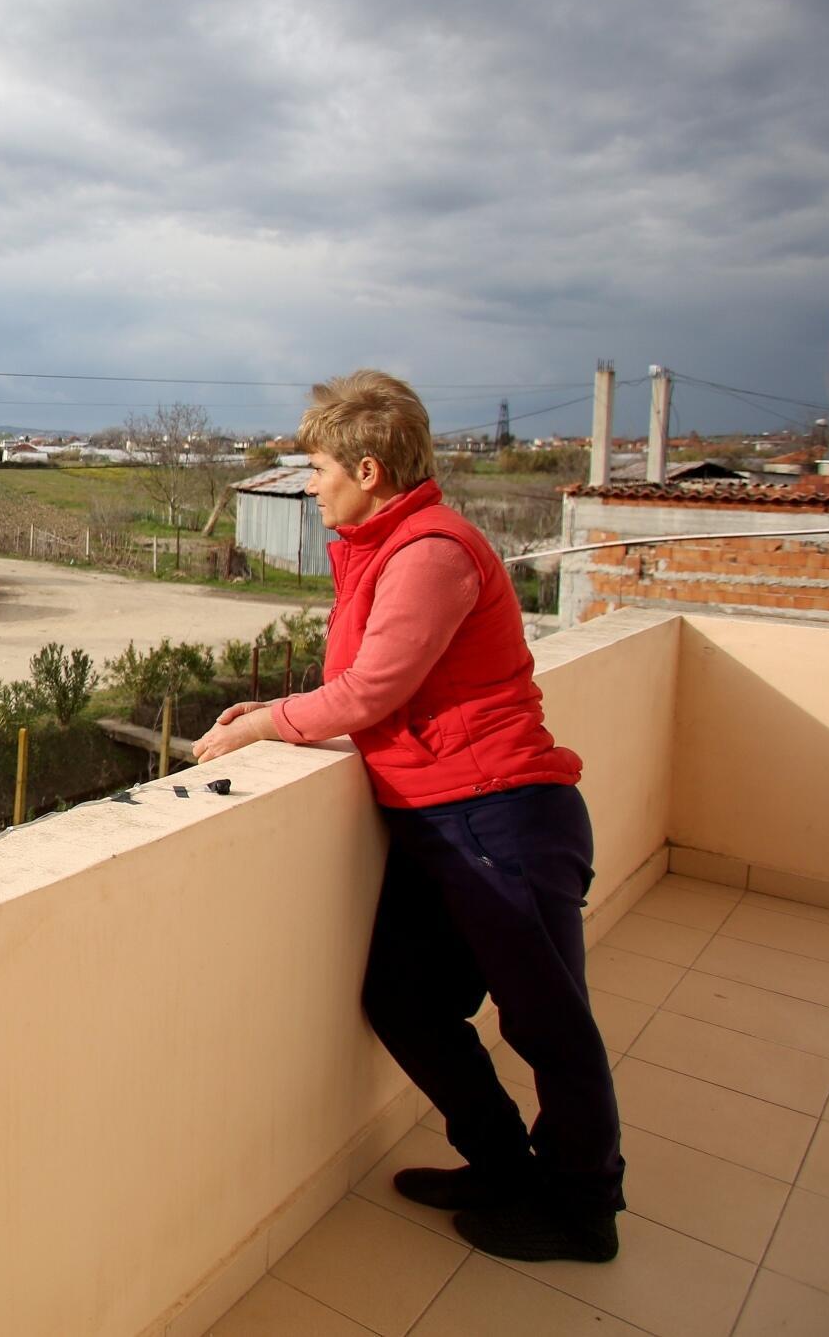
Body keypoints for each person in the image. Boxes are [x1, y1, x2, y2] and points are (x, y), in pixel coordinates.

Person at [193, 370, 623, 1264]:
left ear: (370, 468)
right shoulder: (386, 549)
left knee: (549, 1023)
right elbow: (370, 686)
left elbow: (373, 689)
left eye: (318, 468)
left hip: (501, 814)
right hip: (440, 819)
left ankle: (583, 1209)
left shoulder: (430, 552)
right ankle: (505, 1164)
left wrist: (268, 721)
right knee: (402, 997)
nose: (311, 486)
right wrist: (273, 714)